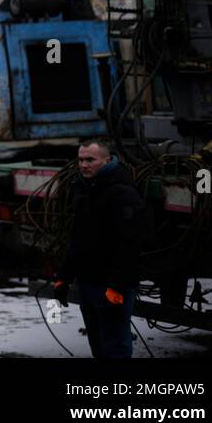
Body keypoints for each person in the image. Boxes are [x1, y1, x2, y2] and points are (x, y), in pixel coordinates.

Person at [52, 138, 145, 358]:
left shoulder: (123, 193)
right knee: (98, 344)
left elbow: (130, 245)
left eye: (90, 160)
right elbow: (76, 238)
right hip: (88, 282)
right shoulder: (82, 189)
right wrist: (63, 277)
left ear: (107, 159)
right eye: (81, 160)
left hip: (112, 285)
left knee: (115, 344)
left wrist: (116, 287)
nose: (84, 165)